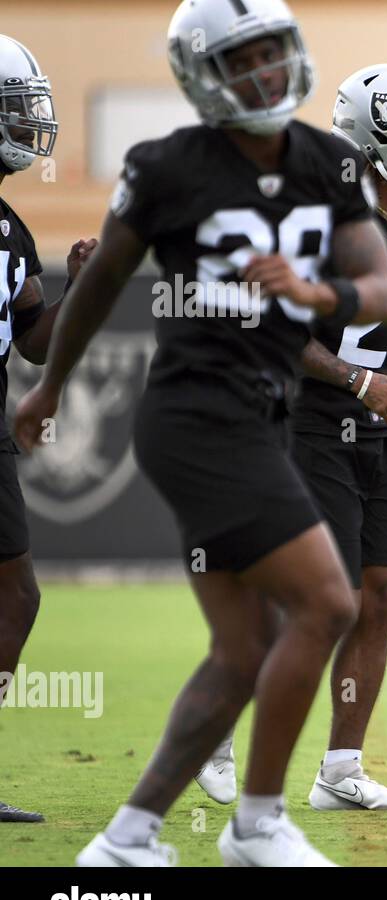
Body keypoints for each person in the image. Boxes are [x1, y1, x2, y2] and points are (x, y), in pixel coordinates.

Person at [13, 0, 387, 865]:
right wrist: (50, 384)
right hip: (194, 413)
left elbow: (377, 284)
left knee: (243, 649)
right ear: (201, 76)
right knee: (330, 602)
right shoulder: (167, 166)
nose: (264, 72)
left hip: (260, 415)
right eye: (241, 59)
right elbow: (106, 278)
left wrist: (317, 298)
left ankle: (126, 839)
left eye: (272, 53)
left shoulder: (331, 162)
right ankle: (258, 824)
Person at [193, 63, 387, 812]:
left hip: (366, 427)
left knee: (379, 594)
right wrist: (361, 385)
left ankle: (340, 771)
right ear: (378, 139)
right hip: (310, 418)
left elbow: (375, 334)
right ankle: (214, 730)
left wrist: (380, 395)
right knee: (313, 597)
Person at [0, 32, 96, 825]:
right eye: (12, 110)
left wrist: (83, 287)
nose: (28, 125)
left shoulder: (8, 228)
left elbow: (34, 342)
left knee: (18, 596)